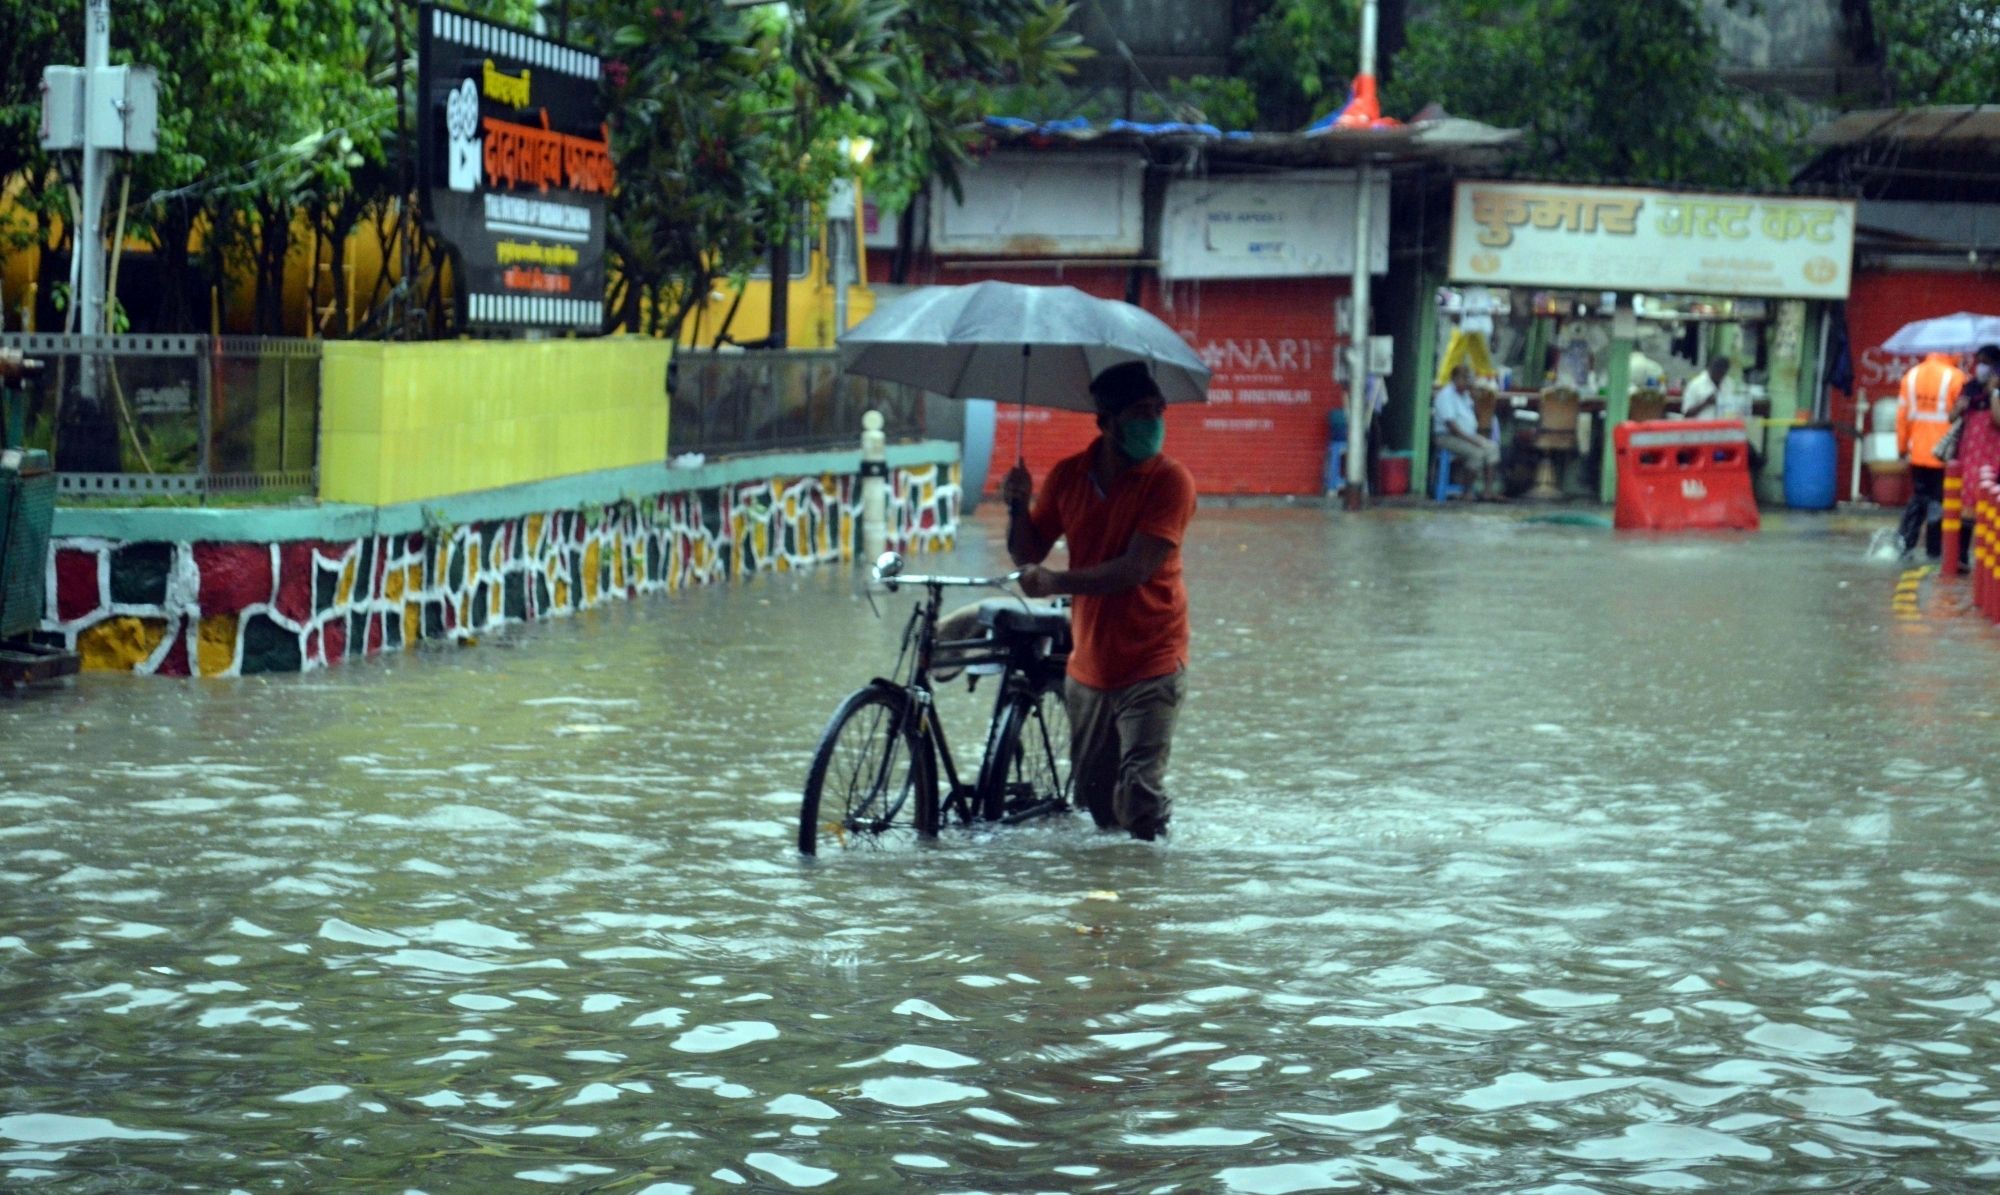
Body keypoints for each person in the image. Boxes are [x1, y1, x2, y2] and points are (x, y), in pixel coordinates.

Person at [1000, 361, 1196, 842]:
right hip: (1088, 665)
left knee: (1139, 798)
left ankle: (1148, 897)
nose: (1153, 421)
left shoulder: (1170, 481)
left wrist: (1056, 582)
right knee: (1098, 803)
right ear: (1105, 422)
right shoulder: (1069, 477)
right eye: (1139, 412)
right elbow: (1028, 553)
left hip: (1153, 658)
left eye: (1158, 410)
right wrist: (1017, 506)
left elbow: (1136, 569)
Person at [1896, 350, 1967, 558]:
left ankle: (1904, 545)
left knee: (1918, 498)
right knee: (1939, 501)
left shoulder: (1911, 375)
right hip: (1945, 454)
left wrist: (1901, 448)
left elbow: (1902, 417)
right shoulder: (1956, 377)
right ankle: (1934, 551)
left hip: (1917, 452)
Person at [1948, 344, 2000, 569]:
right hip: (1970, 452)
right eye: (1979, 361)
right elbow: (1951, 418)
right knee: (1966, 502)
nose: (1981, 366)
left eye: (1986, 362)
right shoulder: (1969, 387)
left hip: (1993, 454)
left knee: (1990, 501)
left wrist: (1994, 393)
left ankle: (1990, 559)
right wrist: (1959, 407)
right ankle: (1961, 556)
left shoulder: (1997, 388)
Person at [1431, 364, 1501, 500]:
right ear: (1454, 379)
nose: (1465, 382)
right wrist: (1472, 440)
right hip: (1447, 437)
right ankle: (1466, 491)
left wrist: (1475, 398)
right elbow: (1452, 427)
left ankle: (1487, 491)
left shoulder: (1465, 396)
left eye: (1467, 379)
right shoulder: (1446, 395)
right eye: (1462, 379)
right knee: (1477, 453)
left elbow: (1476, 417)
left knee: (1492, 448)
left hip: (1467, 436)